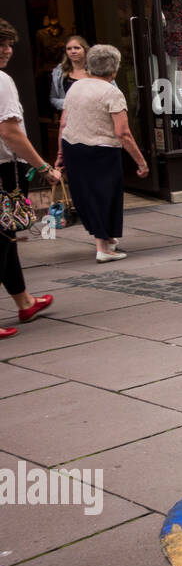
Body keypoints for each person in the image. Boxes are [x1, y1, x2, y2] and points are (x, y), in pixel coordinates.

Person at [56, 44, 149, 263]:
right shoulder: (112, 92)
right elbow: (123, 133)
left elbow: (63, 122)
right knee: (105, 196)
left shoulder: (75, 87)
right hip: (101, 151)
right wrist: (141, 162)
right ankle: (103, 248)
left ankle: (106, 238)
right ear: (114, 70)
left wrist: (60, 153)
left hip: (73, 147)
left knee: (87, 195)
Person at [0, 18, 60, 339]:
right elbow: (10, 132)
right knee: (2, 239)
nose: (8, 51)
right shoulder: (1, 81)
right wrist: (43, 167)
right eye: (2, 45)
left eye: (10, 44)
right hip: (3, 171)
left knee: (7, 239)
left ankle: (24, 301)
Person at [48, 35, 90, 115]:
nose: (73, 51)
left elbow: (114, 94)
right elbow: (53, 98)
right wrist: (71, 103)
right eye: (69, 49)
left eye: (77, 48)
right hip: (70, 118)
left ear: (85, 49)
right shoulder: (59, 72)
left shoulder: (97, 68)